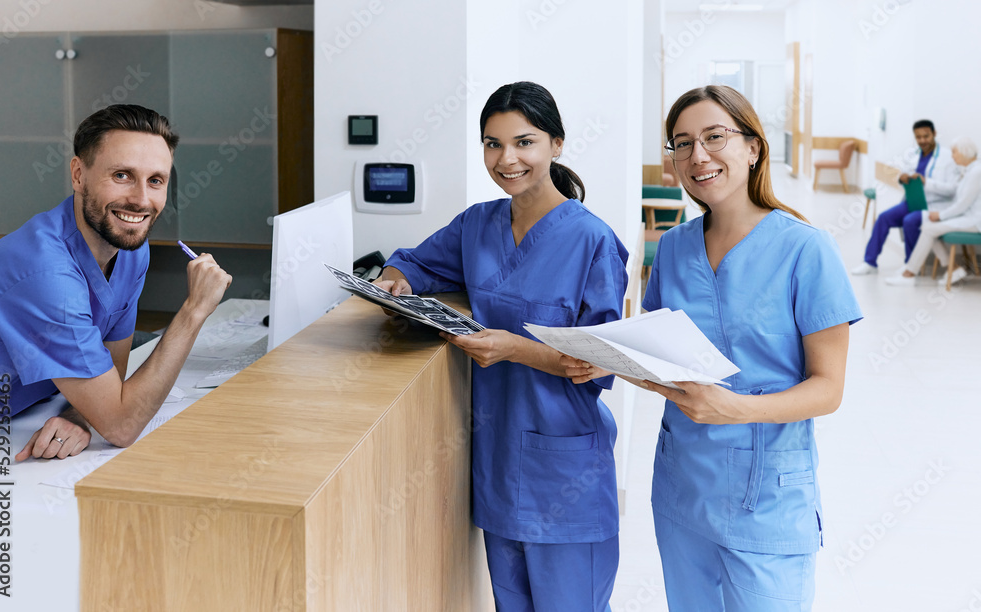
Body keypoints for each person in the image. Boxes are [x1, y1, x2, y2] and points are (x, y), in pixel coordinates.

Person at [567, 85, 862, 611]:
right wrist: (606, 357)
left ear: (753, 148)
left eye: (714, 137)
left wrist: (736, 408)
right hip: (684, 488)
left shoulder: (806, 250)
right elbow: (663, 360)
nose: (698, 155)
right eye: (682, 144)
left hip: (768, 496)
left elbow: (829, 388)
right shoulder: (675, 246)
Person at [375, 82, 627, 611]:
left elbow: (602, 363)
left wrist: (514, 348)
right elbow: (415, 261)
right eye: (492, 144)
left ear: (556, 145)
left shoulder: (592, 242)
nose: (506, 159)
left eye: (524, 142)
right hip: (496, 466)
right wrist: (392, 280)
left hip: (565, 473)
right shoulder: (477, 224)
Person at [0, 104, 231, 461]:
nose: (141, 200)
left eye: (156, 180)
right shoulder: (45, 274)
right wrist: (194, 310)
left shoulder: (128, 248)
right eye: (122, 175)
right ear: (78, 174)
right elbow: (120, 426)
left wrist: (78, 412)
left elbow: (112, 374)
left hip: (8, 420)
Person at [851, 119, 960, 275]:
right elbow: (905, 173)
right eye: (918, 137)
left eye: (926, 136)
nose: (922, 141)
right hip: (913, 202)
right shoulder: (915, 155)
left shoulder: (947, 157)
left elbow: (952, 190)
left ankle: (909, 266)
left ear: (934, 134)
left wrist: (926, 182)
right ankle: (870, 262)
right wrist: (902, 178)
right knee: (883, 218)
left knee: (909, 221)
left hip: (933, 206)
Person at [886, 136, 981, 286]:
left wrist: (941, 215)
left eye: (954, 152)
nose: (952, 156)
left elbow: (963, 204)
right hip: (967, 216)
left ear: (964, 152)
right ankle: (953, 269)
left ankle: (909, 274)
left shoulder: (976, 172)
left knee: (929, 228)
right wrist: (938, 214)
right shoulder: (968, 171)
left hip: (975, 221)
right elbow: (959, 200)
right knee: (927, 223)